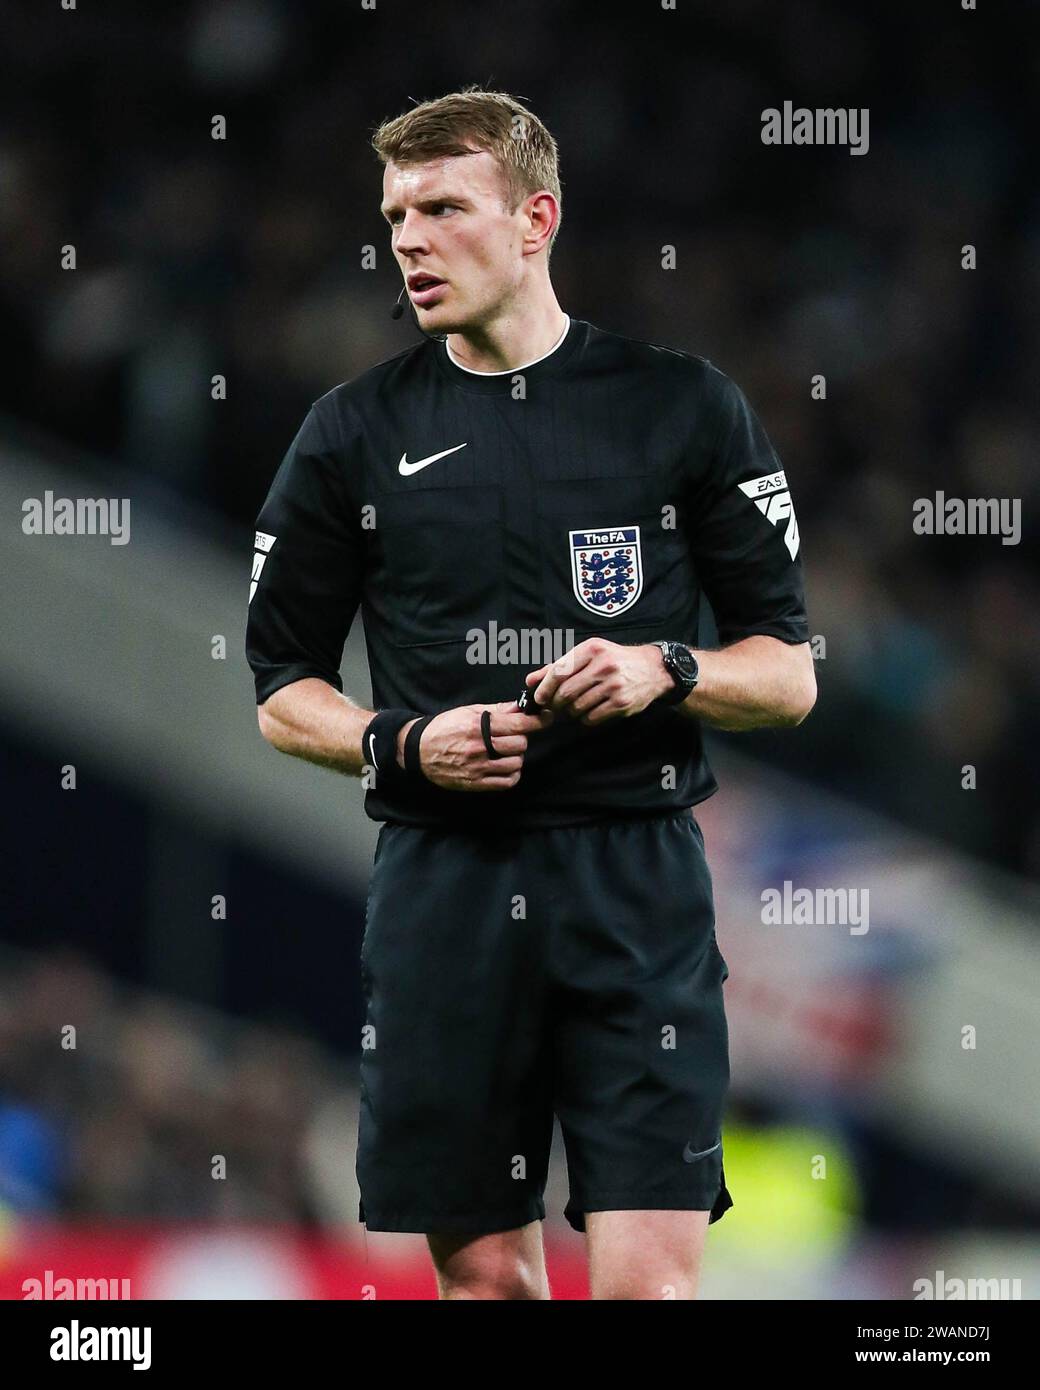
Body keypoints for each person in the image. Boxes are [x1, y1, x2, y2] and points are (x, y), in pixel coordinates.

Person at [246, 86, 816, 1300]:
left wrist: (666, 667)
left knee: (648, 1291)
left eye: (442, 208)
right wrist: (401, 743)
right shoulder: (350, 435)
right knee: (487, 1286)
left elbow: (786, 673)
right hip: (445, 886)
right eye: (395, 215)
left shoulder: (681, 406)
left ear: (533, 219)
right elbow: (281, 689)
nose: (407, 240)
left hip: (635, 887)